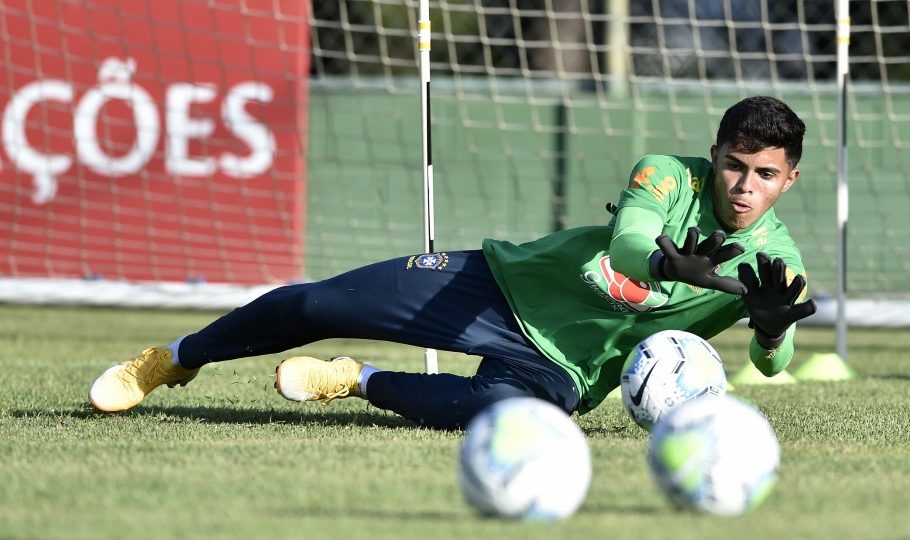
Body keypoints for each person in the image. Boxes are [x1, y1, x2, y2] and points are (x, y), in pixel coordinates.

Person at [89, 95, 817, 430]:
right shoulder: (666, 172)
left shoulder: (778, 261)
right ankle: (175, 357)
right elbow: (631, 242)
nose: (744, 185)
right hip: (502, 287)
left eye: (763, 174)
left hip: (566, 368)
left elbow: (774, 362)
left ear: (789, 181)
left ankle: (358, 379)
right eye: (734, 165)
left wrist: (772, 329)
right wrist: (667, 269)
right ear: (713, 155)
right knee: (318, 305)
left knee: (503, 420)